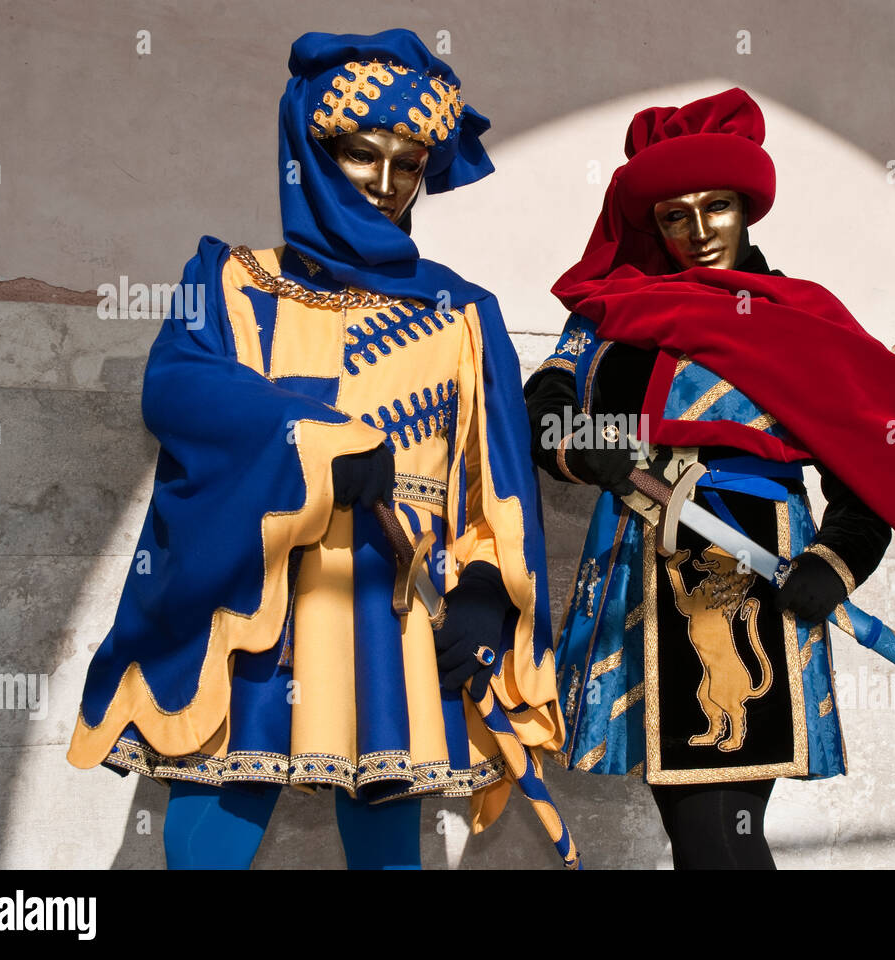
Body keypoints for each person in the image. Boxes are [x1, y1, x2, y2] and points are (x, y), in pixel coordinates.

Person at [67, 29, 564, 870]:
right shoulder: (229, 279)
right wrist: (316, 441)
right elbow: (180, 388)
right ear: (309, 150)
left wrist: (484, 591)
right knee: (211, 815)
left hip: (396, 601)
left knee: (385, 829)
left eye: (408, 163)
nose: (383, 183)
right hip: (255, 581)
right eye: (360, 153)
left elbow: (499, 482)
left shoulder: (466, 314)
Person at [524, 88, 895, 869]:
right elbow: (541, 419)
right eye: (674, 215)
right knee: (699, 839)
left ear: (746, 208)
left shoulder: (804, 315)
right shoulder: (606, 316)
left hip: (752, 576)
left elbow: (874, 460)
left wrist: (836, 561)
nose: (697, 231)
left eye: (715, 206)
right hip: (631, 575)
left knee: (720, 835)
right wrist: (592, 443)